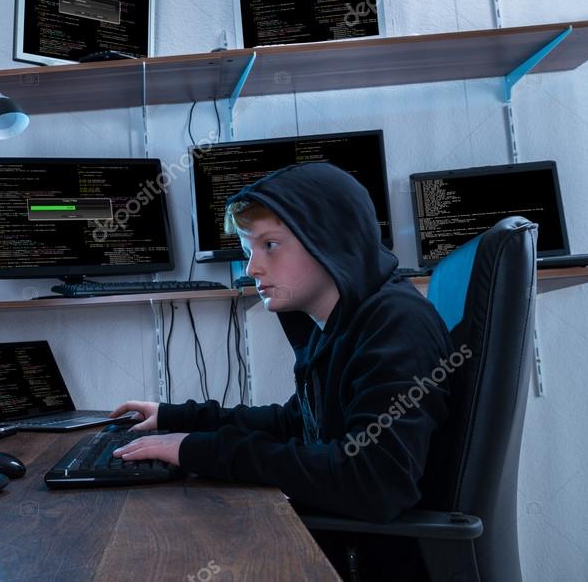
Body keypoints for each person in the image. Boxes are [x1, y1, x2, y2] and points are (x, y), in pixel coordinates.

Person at [110, 162, 455, 577]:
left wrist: (200, 451)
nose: (251, 268)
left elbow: (373, 480)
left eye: (270, 245)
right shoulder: (342, 326)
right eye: (247, 250)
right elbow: (297, 422)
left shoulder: (397, 325)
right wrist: (174, 418)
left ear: (330, 239)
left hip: (377, 563)